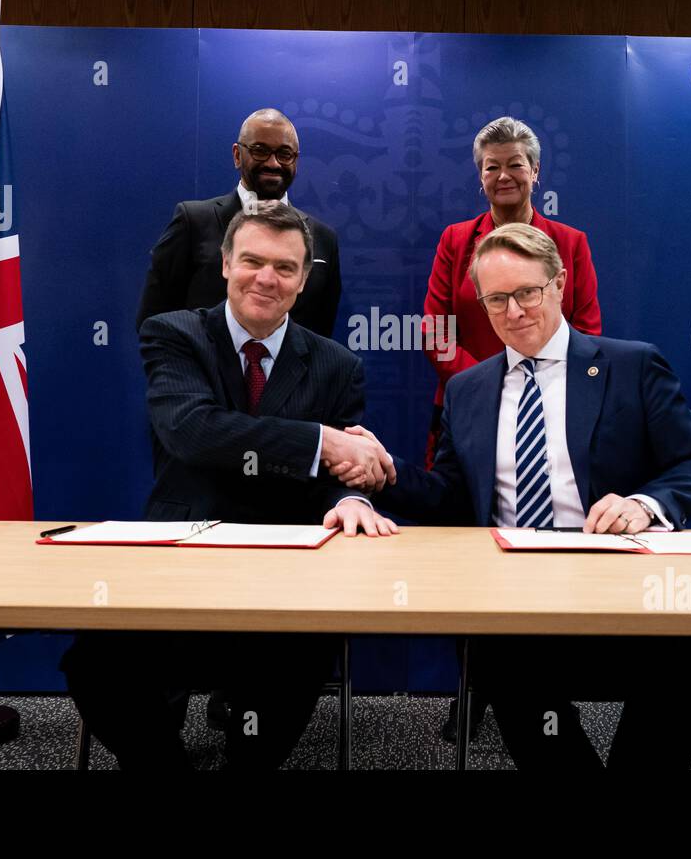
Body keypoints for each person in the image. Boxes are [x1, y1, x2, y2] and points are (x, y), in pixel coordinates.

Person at [336, 223, 691, 769]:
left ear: (559, 284)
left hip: (623, 580)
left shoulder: (631, 365)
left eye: (527, 293)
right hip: (515, 592)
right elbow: (450, 497)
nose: (513, 311)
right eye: (496, 299)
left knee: (680, 659)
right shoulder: (468, 390)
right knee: (502, 659)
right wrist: (386, 473)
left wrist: (644, 504)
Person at [62, 201, 396, 770]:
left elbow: (340, 473)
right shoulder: (174, 334)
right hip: (177, 561)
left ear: (304, 279)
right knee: (96, 663)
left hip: (287, 573)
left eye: (285, 268)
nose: (266, 278)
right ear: (224, 264)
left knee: (302, 650)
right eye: (252, 261)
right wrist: (322, 442)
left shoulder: (338, 365)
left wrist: (353, 495)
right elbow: (193, 431)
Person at [421, 116, 602, 739]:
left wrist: (532, 377)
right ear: (480, 178)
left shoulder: (570, 243)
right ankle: (474, 689)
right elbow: (437, 329)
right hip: (469, 420)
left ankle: (545, 690)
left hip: (555, 416)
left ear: (535, 174)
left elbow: (591, 332)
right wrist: (490, 383)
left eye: (514, 165)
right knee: (467, 555)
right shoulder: (454, 240)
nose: (503, 175)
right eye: (491, 167)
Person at [137, 108, 341, 337]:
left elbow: (322, 339)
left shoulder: (323, 238)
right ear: (237, 155)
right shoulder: (193, 222)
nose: (273, 163)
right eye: (260, 151)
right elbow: (153, 322)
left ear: (296, 160)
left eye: (285, 154)